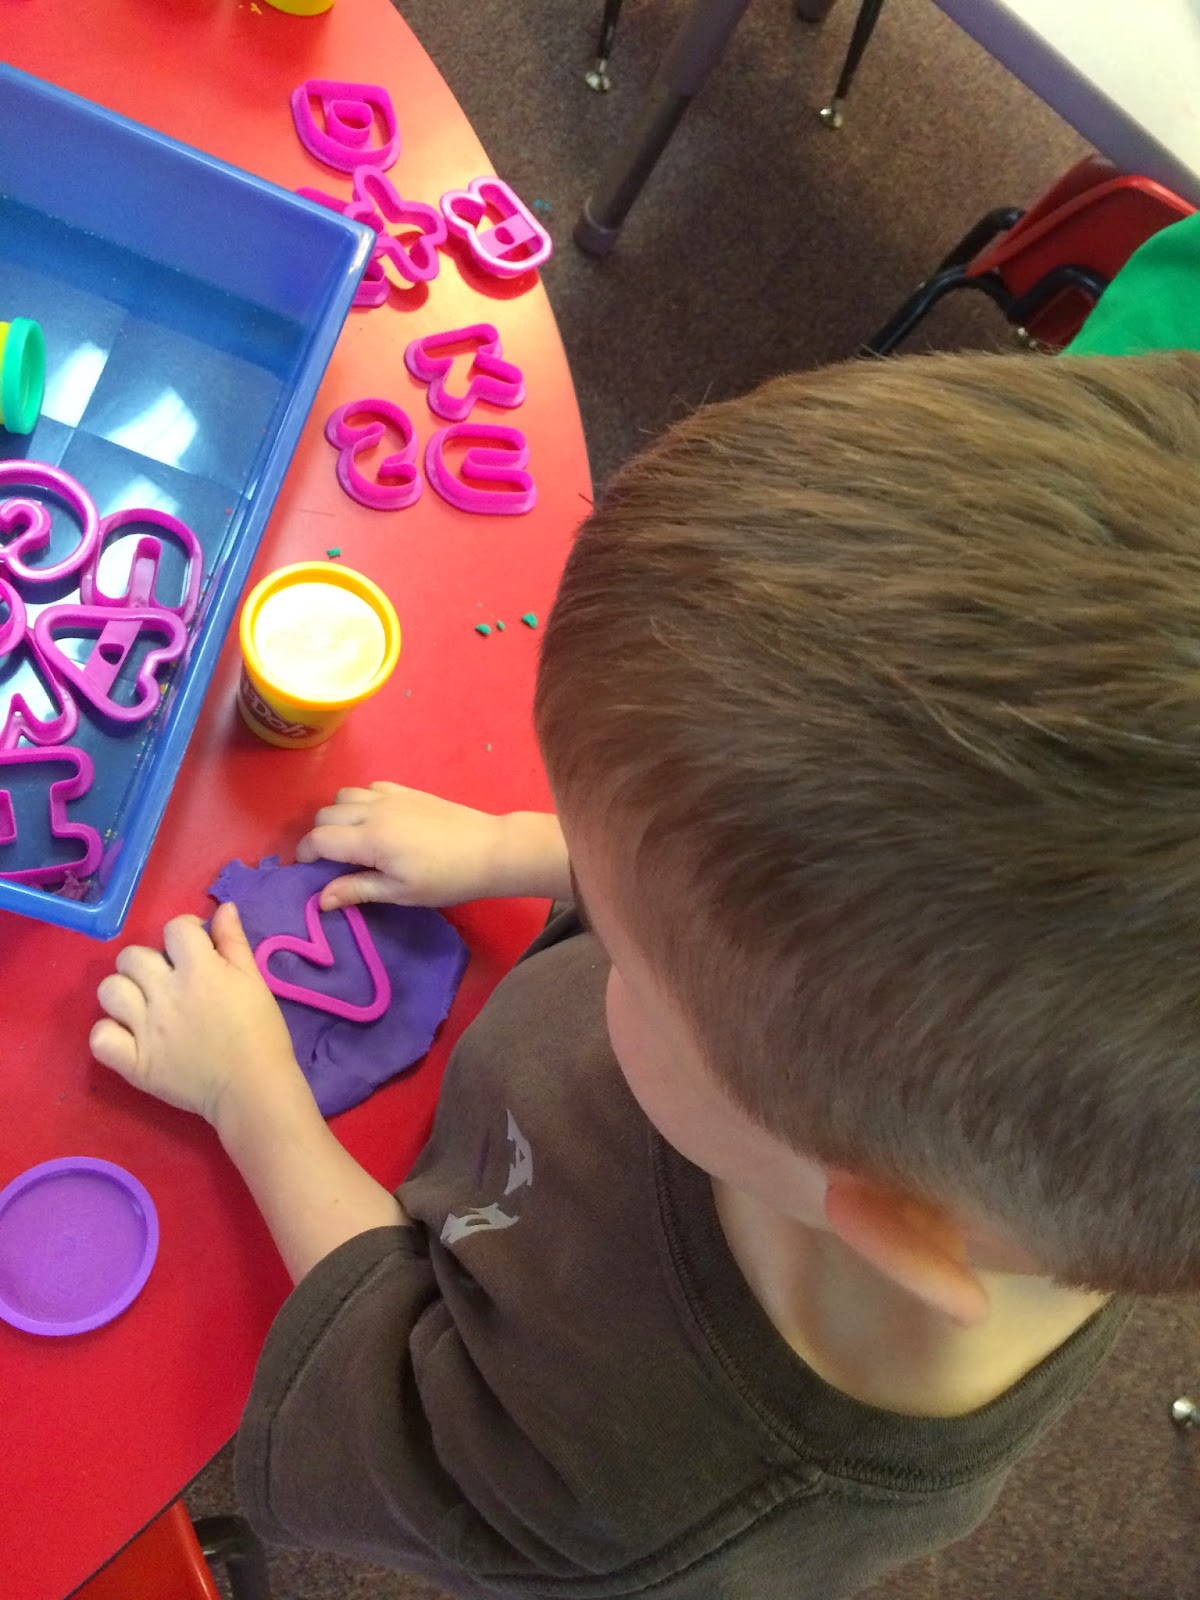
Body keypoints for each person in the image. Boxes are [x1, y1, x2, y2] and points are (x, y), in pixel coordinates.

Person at [91, 347, 1200, 1599]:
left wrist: (252, 1093)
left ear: (885, 1212)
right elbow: (757, 896)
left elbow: (399, 1372)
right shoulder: (984, 1121)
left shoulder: (627, 1480)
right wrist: (518, 849)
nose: (603, 938)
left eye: (626, 945)